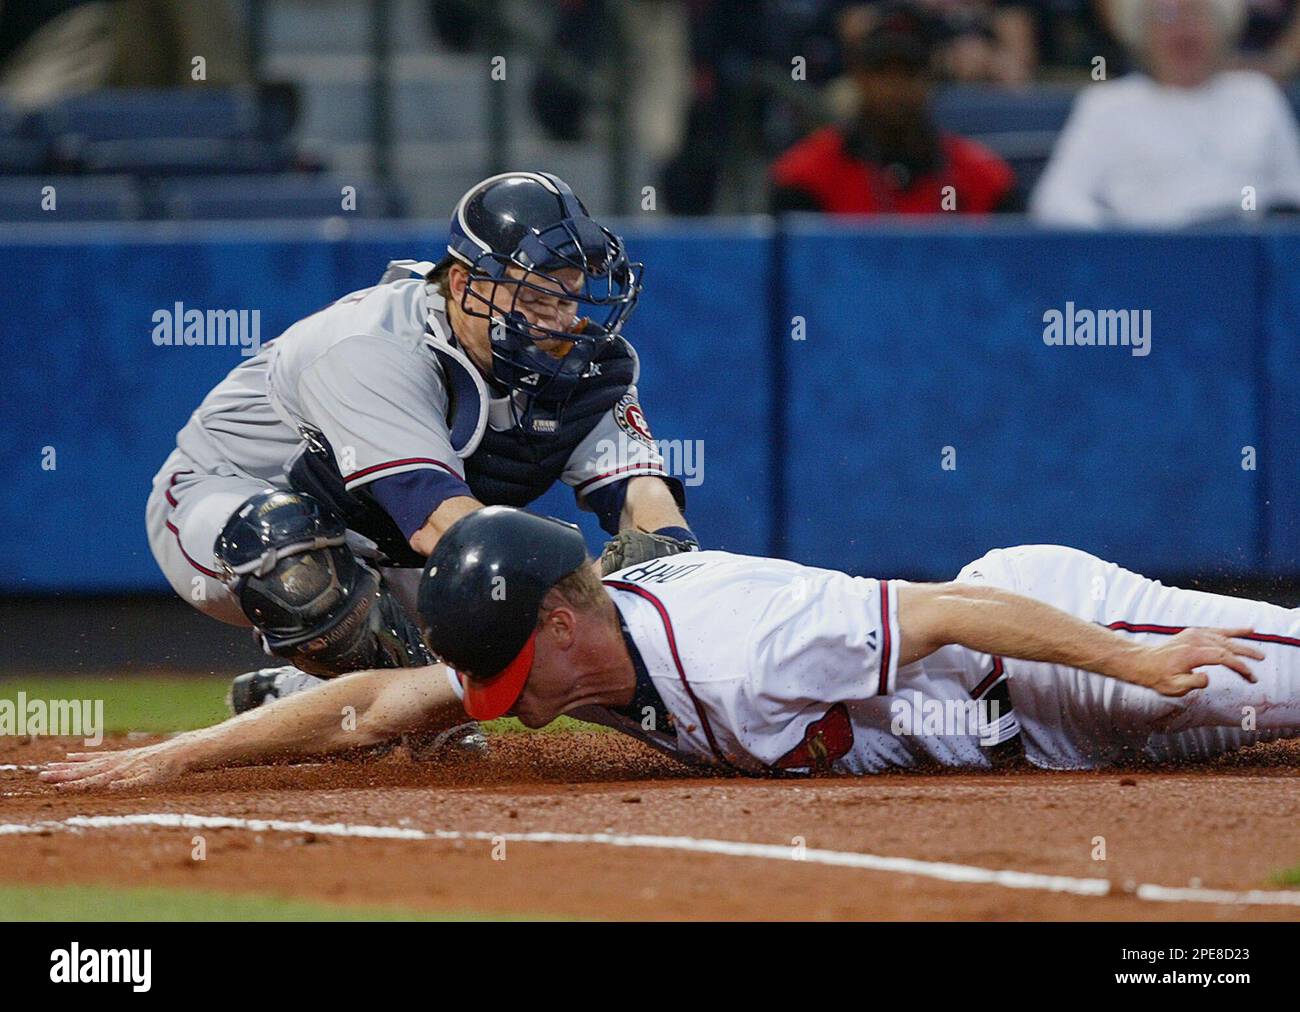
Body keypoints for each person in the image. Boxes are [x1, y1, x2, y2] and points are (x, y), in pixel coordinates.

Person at [45, 506, 1300, 788]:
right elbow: (377, 707)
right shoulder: (580, 652)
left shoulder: (738, 644)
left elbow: (948, 610)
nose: (494, 703)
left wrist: (1133, 661)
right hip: (1021, 740)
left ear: (555, 619)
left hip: (1050, 658)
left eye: (502, 673)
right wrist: (174, 761)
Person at [144, 171, 695, 726]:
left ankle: (299, 695)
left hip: (388, 539)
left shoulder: (588, 363)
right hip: (225, 501)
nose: (558, 318)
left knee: (578, 649)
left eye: (571, 292)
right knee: (295, 549)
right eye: (535, 295)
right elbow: (443, 525)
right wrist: (576, 588)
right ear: (463, 285)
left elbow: (639, 490)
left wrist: (664, 551)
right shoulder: (373, 347)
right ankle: (377, 707)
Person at [1032, 0, 1300, 226]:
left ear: (1222, 27)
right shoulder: (1107, 105)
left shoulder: (1257, 95)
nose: (1183, 28)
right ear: (1142, 32)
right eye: (1167, 15)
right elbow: (1056, 199)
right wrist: (1118, 238)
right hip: (1148, 260)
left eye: (1197, 15)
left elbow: (1293, 190)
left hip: (1247, 256)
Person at [771, 3, 1019, 215]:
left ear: (932, 80)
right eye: (882, 72)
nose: (894, 87)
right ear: (859, 78)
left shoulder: (984, 179)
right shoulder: (806, 177)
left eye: (908, 73)